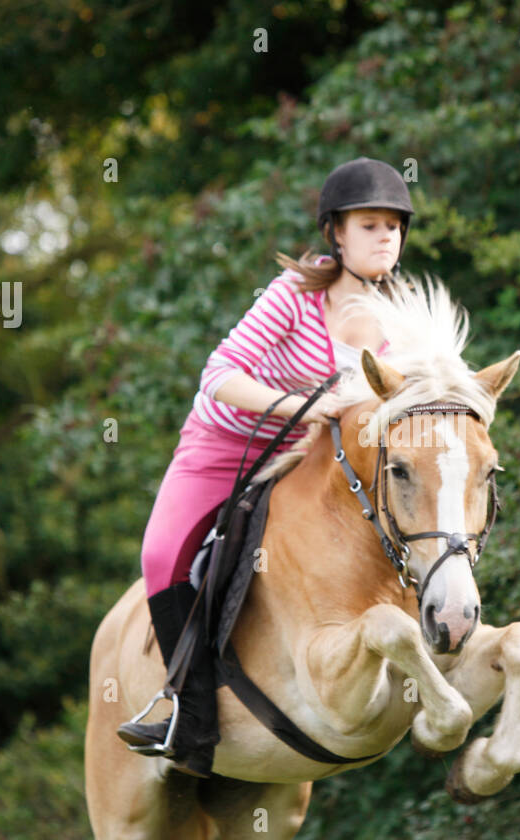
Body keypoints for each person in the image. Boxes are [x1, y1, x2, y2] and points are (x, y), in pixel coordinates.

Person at [118, 156, 415, 774]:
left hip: (301, 455)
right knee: (158, 554)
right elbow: (219, 376)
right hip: (223, 443)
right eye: (369, 224)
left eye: (393, 225)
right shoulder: (294, 294)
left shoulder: (399, 324)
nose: (385, 235)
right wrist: (301, 408)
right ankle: (187, 715)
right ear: (337, 233)